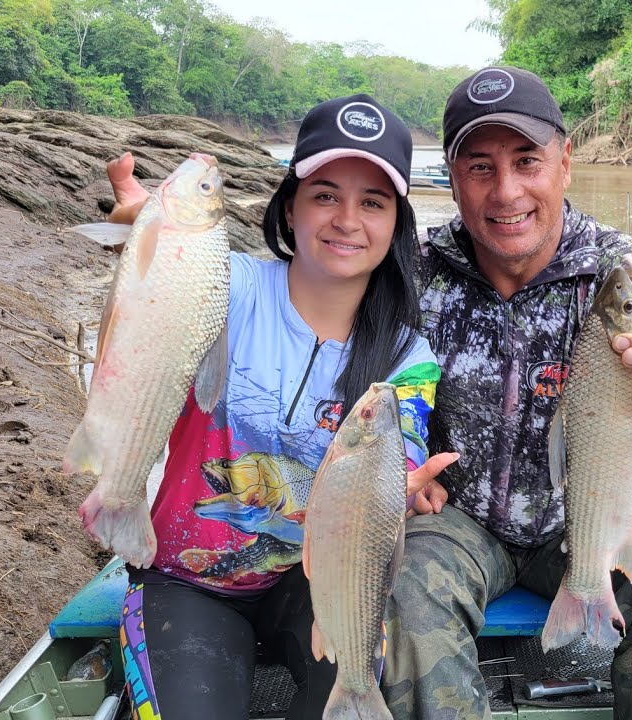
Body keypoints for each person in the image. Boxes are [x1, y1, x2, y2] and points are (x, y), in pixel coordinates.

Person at [383, 66, 632, 720]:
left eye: (527, 161)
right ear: (452, 176)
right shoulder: (413, 272)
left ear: (565, 163)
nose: (507, 190)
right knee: (401, 590)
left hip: (606, 506)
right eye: (480, 166)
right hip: (460, 518)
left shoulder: (631, 277)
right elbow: (366, 397)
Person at [100, 94, 455, 720]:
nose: (347, 218)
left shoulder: (408, 359)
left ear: (395, 225)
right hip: (186, 577)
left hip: (323, 585)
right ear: (289, 207)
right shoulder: (223, 284)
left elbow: (401, 460)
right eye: (325, 194)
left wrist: (402, 488)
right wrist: (155, 236)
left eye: (372, 202)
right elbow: (150, 301)